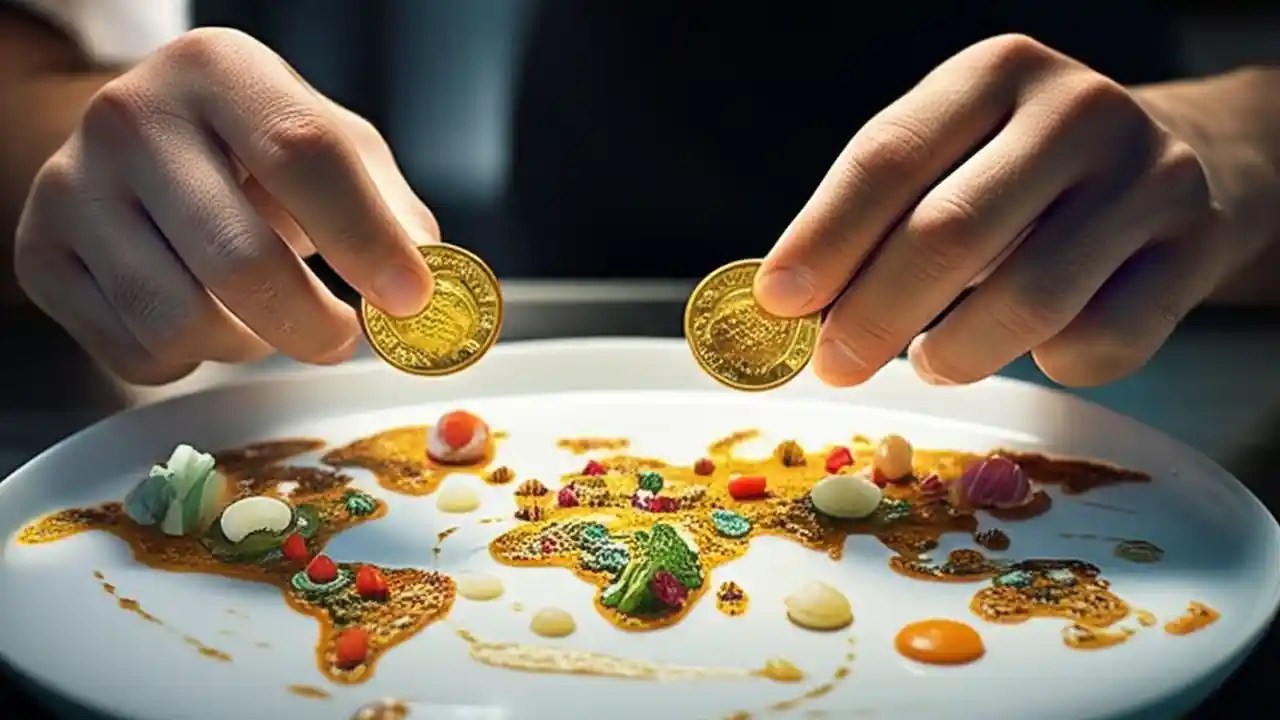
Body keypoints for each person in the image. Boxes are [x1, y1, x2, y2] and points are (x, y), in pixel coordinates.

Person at [1, 1, 1277, 391]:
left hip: (1114, 290)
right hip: (585, 223)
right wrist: (97, 154)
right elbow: (35, 73)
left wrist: (1234, 144)